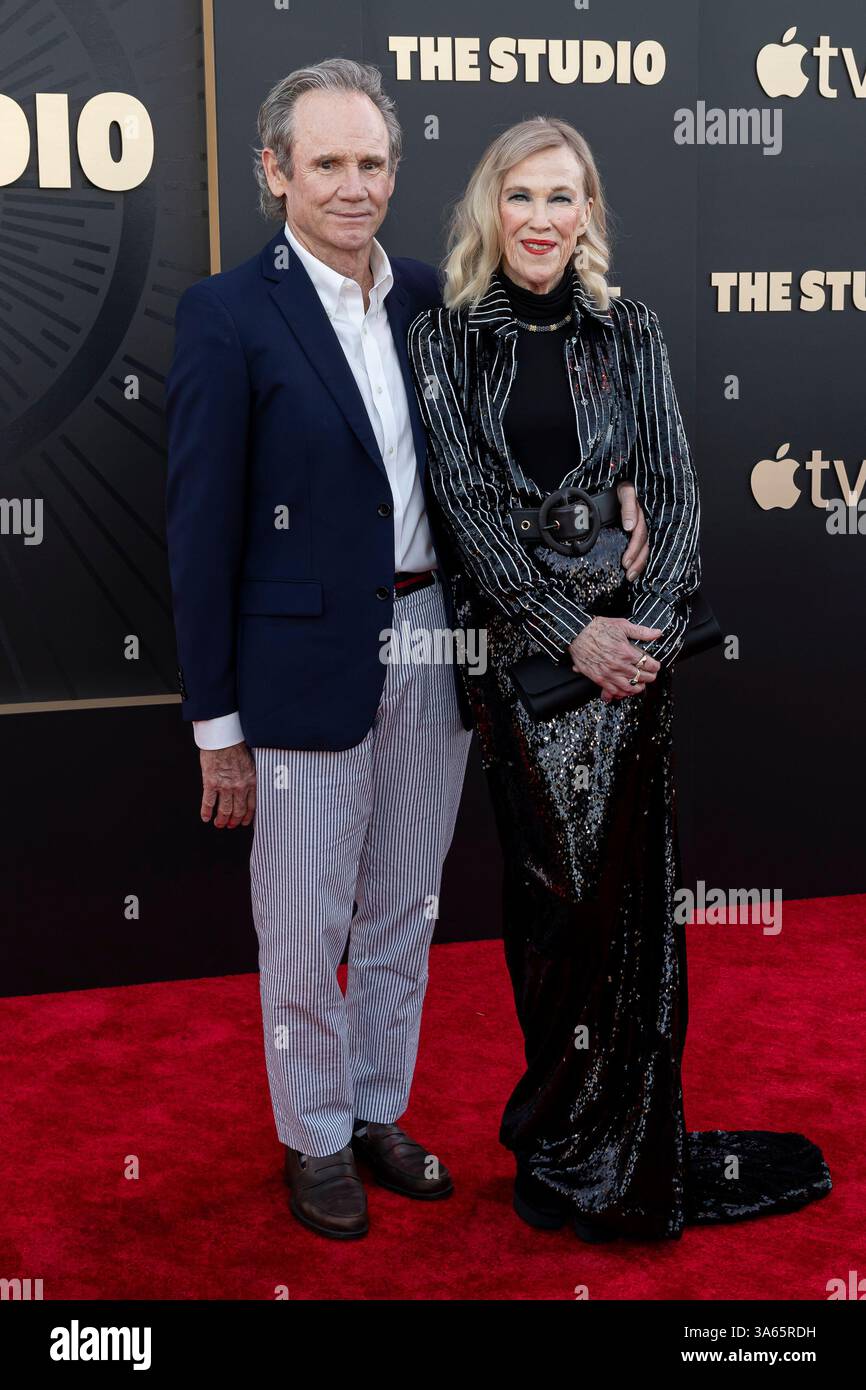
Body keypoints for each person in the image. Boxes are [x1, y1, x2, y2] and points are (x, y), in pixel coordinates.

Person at [164, 58, 651, 1241]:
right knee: (302, 915)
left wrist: (617, 485)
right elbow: (196, 529)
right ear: (275, 171)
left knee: (402, 907)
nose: (351, 186)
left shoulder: (435, 299)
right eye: (324, 163)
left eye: (370, 162)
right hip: (295, 666)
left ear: (395, 170)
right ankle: (315, 1136)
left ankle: (378, 1113)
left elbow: (518, 435)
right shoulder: (227, 315)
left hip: (436, 639)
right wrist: (215, 728)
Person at [408, 116, 832, 1241]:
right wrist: (565, 634)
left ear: (588, 210)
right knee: (556, 909)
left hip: (631, 671)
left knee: (634, 908)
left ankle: (628, 1137)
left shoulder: (628, 329)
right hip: (525, 669)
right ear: (487, 210)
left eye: (563, 197)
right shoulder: (443, 340)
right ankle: (560, 1133)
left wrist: (636, 636)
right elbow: (467, 515)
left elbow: (678, 496)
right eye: (521, 197)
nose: (542, 219)